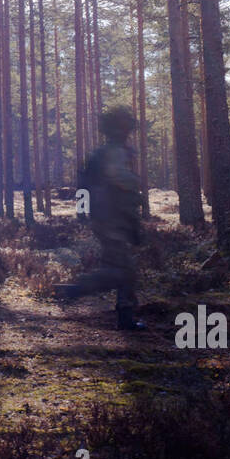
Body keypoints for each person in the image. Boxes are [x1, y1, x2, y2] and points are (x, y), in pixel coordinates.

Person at [56, 106, 147, 331]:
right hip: (113, 219)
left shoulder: (103, 152)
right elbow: (117, 176)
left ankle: (125, 317)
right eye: (126, 125)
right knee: (122, 270)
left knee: (124, 268)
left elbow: (85, 186)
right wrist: (136, 183)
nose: (128, 129)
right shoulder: (113, 152)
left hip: (107, 218)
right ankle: (76, 289)